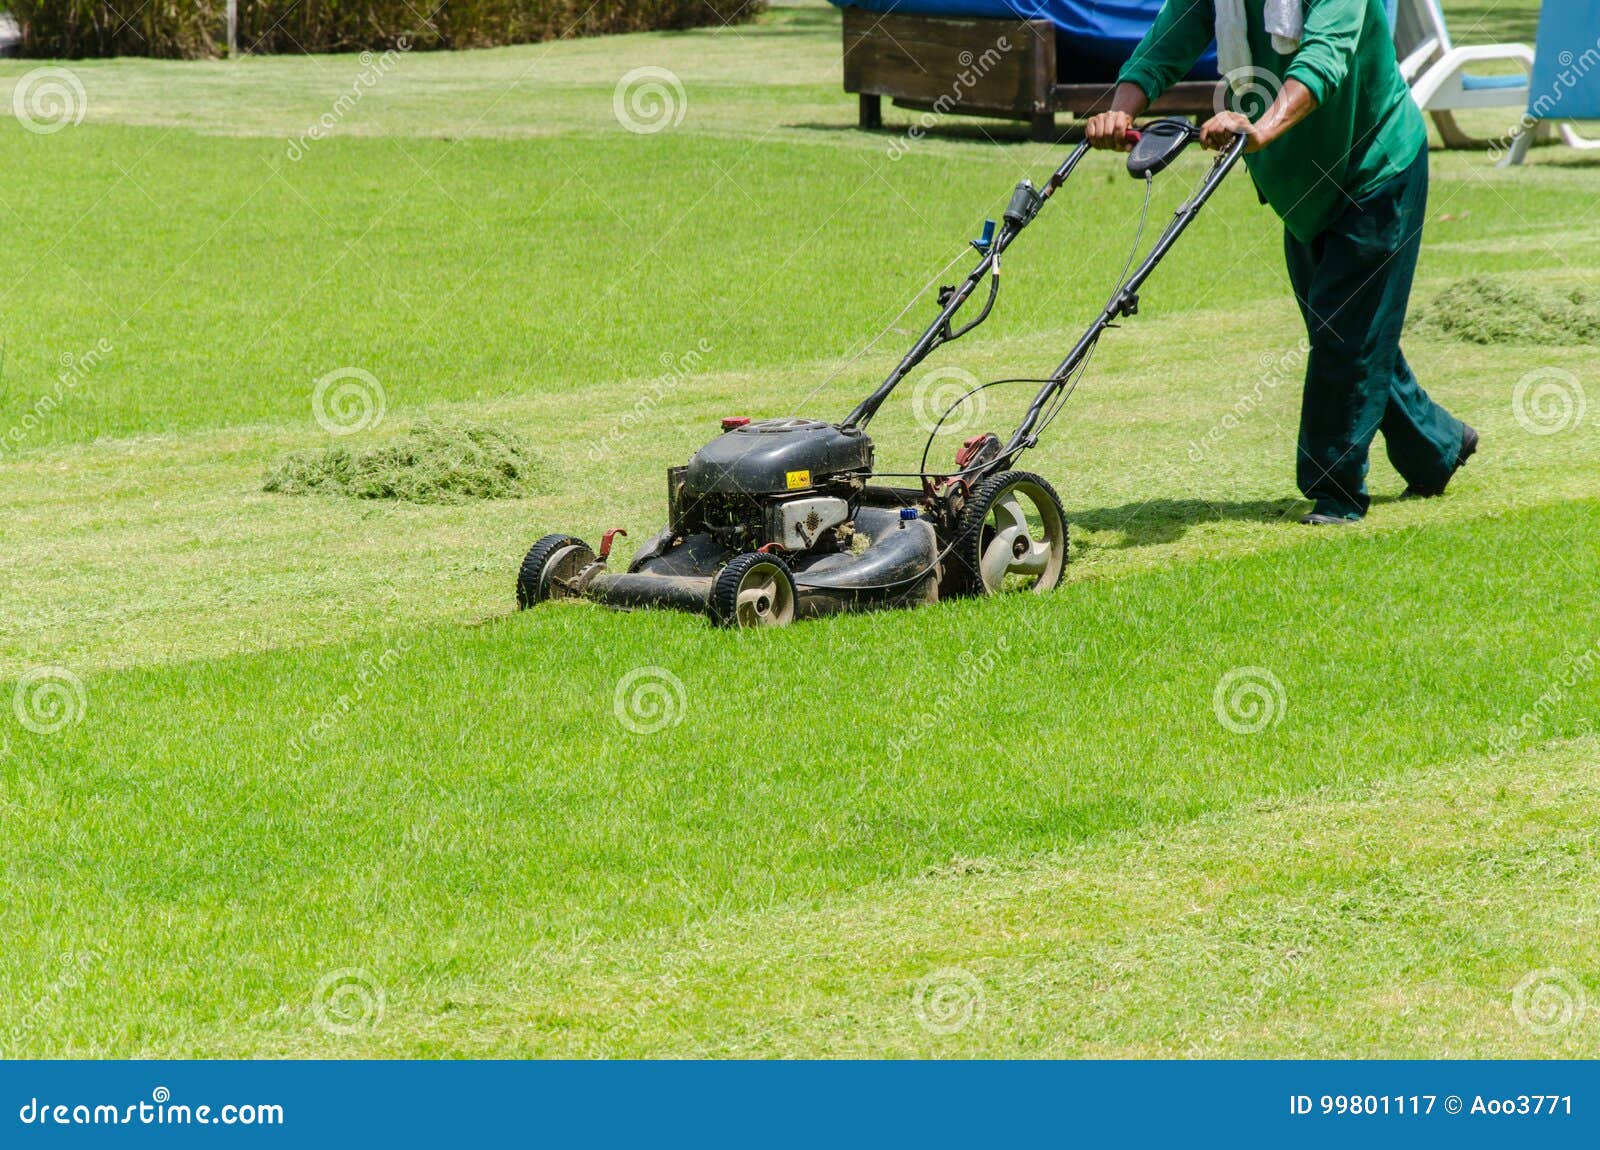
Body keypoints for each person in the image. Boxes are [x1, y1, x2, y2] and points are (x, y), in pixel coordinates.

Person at [1085, 0, 1477, 525]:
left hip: (1375, 166)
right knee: (1346, 326)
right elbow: (1168, 40)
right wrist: (1122, 108)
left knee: (1344, 333)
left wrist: (1262, 129)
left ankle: (1336, 490)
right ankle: (1436, 448)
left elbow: (1323, 59)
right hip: (1300, 183)